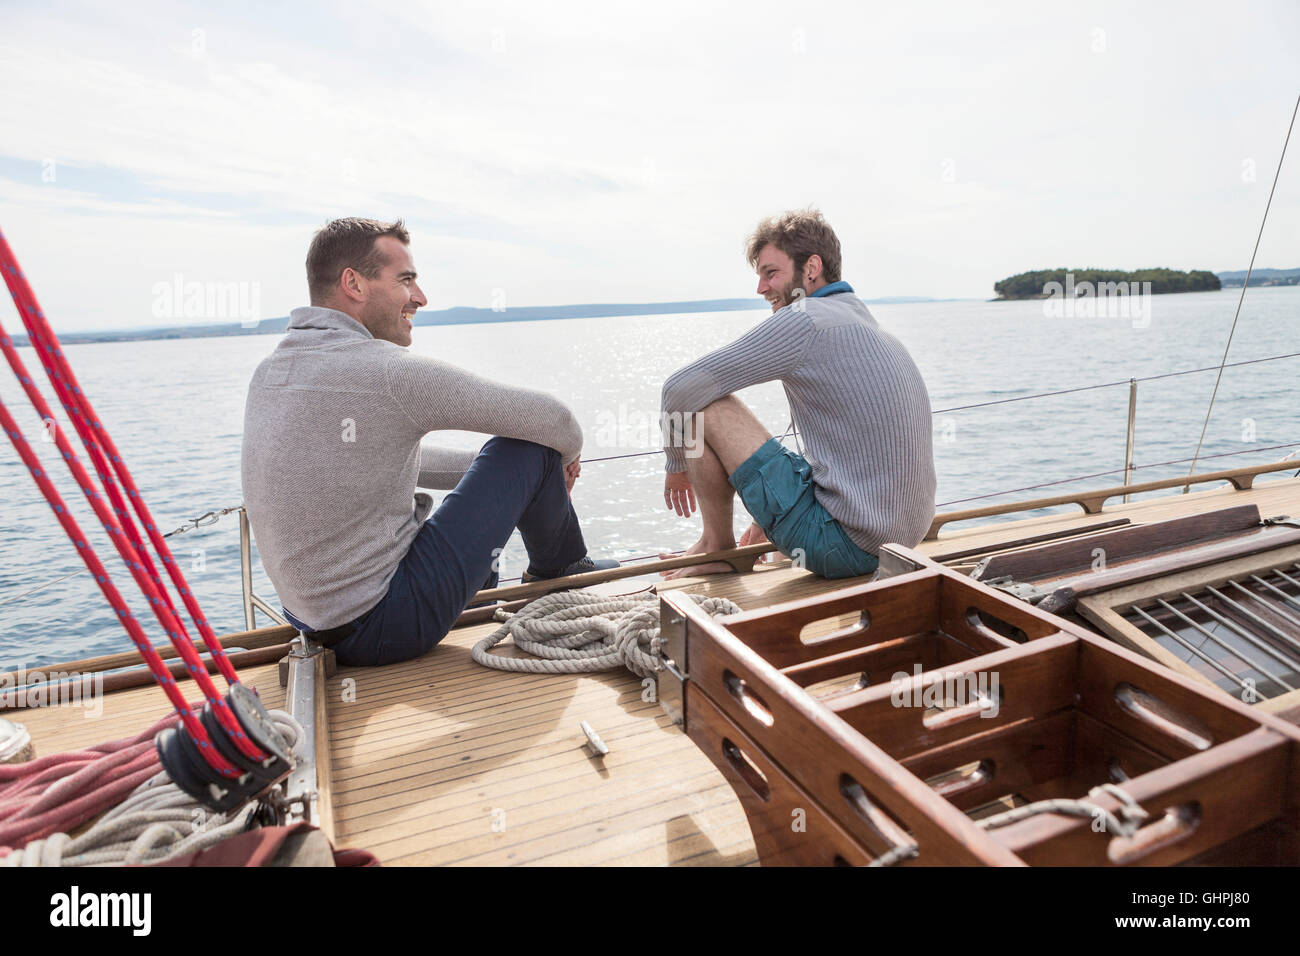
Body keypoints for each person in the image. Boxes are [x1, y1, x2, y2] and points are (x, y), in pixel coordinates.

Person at [241, 217, 615, 666]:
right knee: (527, 445)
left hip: (313, 624)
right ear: (354, 284)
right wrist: (554, 462)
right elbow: (556, 421)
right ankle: (561, 574)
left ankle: (532, 573)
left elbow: (376, 463)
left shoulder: (272, 372)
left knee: (516, 459)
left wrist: (520, 480)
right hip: (385, 626)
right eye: (406, 280)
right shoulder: (385, 373)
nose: (420, 297)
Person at [657, 208, 936, 579]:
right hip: (902, 539)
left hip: (848, 547)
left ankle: (716, 548)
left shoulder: (804, 319)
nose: (761, 289)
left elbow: (679, 390)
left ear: (812, 268)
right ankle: (732, 542)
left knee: (703, 407)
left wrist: (676, 466)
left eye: (771, 273)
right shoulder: (861, 319)